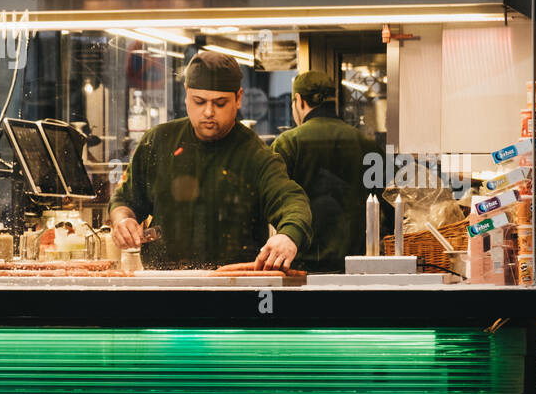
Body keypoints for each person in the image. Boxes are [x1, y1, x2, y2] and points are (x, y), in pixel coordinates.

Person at [110, 51, 312, 270]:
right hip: (162, 281)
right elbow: (124, 200)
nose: (208, 112)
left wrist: (288, 235)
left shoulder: (256, 155)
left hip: (233, 282)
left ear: (238, 98)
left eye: (220, 103)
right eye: (199, 101)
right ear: (186, 94)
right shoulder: (158, 141)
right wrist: (123, 220)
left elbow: (292, 201)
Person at [270, 71, 383, 273]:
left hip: (301, 267)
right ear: (334, 100)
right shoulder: (367, 144)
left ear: (299, 100)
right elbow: (389, 201)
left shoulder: (287, 143)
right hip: (357, 266)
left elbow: (272, 201)